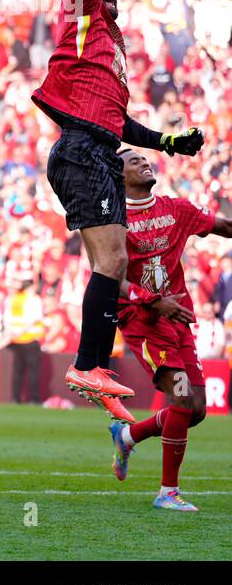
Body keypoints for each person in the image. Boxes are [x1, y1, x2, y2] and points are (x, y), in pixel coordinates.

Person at [30, 0, 206, 423]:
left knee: (115, 260)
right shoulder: (80, 15)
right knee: (111, 260)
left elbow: (118, 123)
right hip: (82, 151)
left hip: (96, 149)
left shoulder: (110, 52)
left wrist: (169, 142)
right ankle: (88, 364)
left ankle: (93, 367)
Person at [108, 150, 232, 511]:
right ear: (120, 175)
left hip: (177, 318)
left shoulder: (176, 209)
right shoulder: (113, 221)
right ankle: (167, 493)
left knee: (195, 411)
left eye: (145, 160)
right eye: (133, 161)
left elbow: (223, 227)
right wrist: (149, 300)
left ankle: (128, 436)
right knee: (179, 398)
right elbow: (109, 276)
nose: (144, 163)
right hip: (142, 322)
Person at [5, 281, 45, 404]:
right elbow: (35, 318)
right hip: (30, 338)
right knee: (33, 371)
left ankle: (15, 398)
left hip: (16, 340)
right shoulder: (34, 299)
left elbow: (7, 318)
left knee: (17, 371)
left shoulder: (13, 299)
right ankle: (34, 398)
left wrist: (12, 333)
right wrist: (22, 331)